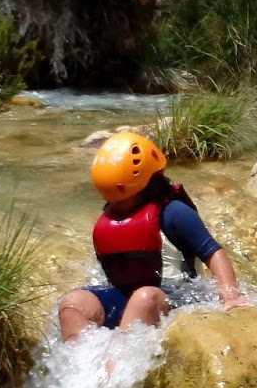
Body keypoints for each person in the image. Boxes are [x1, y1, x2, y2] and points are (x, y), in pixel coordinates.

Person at [58, 131, 244, 340]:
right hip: (128, 296)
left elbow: (213, 252)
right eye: (111, 199)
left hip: (176, 298)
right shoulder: (114, 216)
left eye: (122, 199)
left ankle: (116, 369)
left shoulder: (173, 212)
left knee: (144, 297)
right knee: (74, 302)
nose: (115, 206)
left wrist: (230, 296)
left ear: (147, 185)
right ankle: (81, 367)